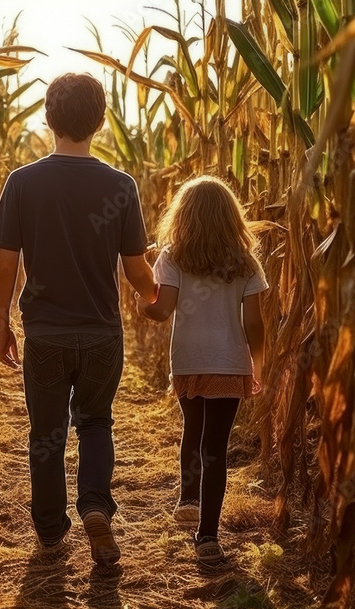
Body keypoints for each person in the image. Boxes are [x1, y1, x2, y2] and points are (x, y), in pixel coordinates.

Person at [0, 73, 159, 566]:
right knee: (97, 423)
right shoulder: (120, 185)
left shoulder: (23, 182)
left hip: (45, 334)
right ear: (101, 121)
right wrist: (155, 298)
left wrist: (3, 321)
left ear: (48, 117)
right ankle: (96, 508)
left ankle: (49, 529)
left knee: (46, 433)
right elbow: (134, 267)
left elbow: (6, 262)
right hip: (102, 334)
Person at [136, 176, 267, 566]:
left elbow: (161, 310)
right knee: (217, 449)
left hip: (190, 361)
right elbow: (255, 324)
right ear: (232, 217)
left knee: (192, 428)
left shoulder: (173, 257)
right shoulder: (246, 263)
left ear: (184, 216)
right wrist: (257, 366)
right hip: (229, 363)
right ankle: (208, 536)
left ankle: (187, 499)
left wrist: (142, 304)